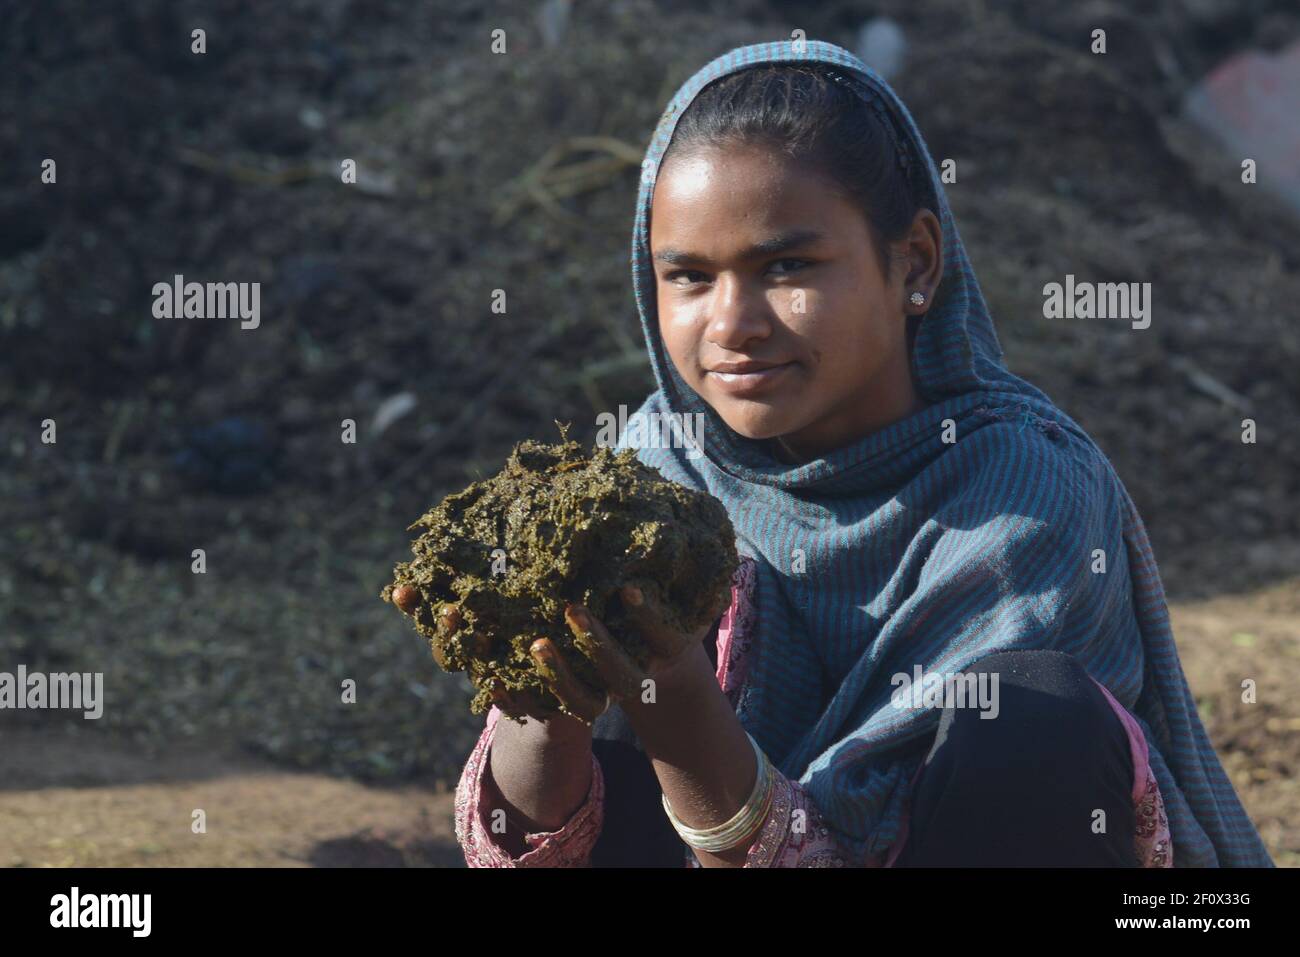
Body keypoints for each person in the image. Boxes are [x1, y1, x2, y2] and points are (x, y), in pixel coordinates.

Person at [451, 39, 1274, 867]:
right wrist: (537, 686)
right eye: (690, 277)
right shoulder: (650, 477)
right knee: (624, 621)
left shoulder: (1027, 497)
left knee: (1031, 713)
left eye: (787, 265)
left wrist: (695, 731)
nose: (732, 324)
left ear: (914, 262)